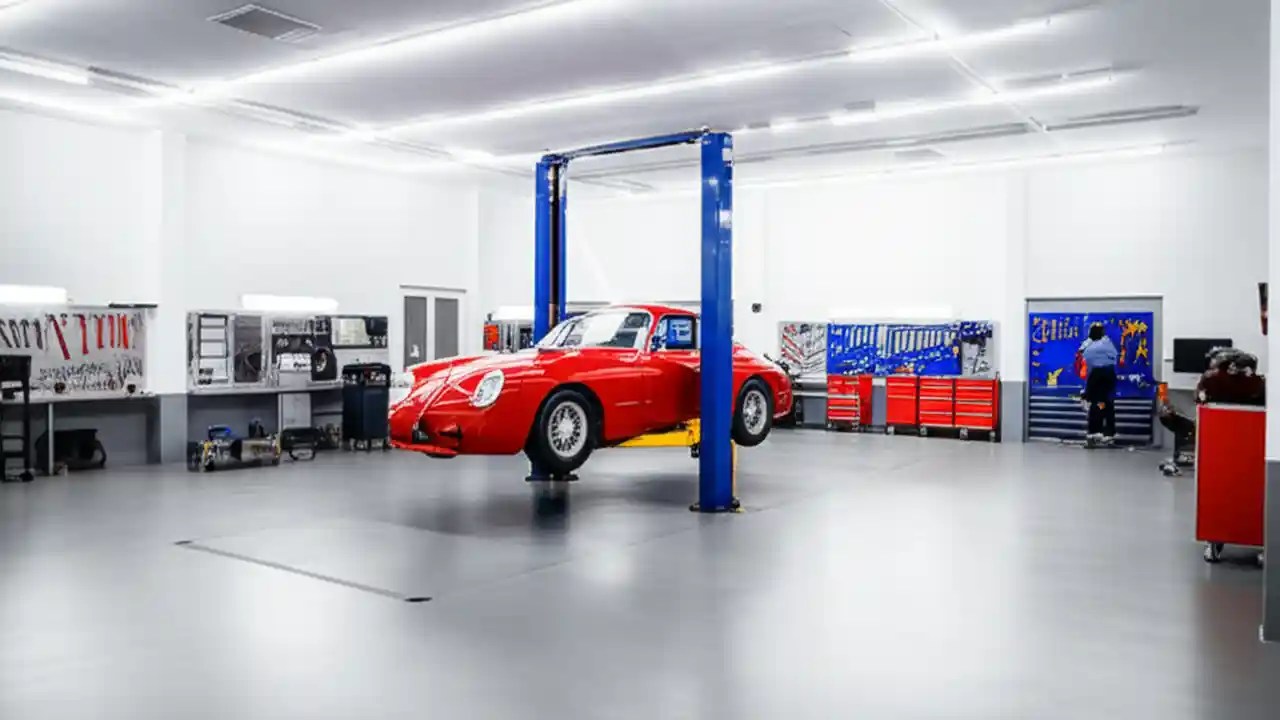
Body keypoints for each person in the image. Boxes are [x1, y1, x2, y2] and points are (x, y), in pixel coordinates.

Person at [1081, 323, 1118, 445]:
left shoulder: (1088, 344)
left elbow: (1083, 354)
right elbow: (1115, 356)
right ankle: (1109, 433)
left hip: (1095, 375)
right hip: (1108, 374)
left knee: (1096, 404)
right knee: (1107, 404)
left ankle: (1094, 432)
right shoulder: (1107, 343)